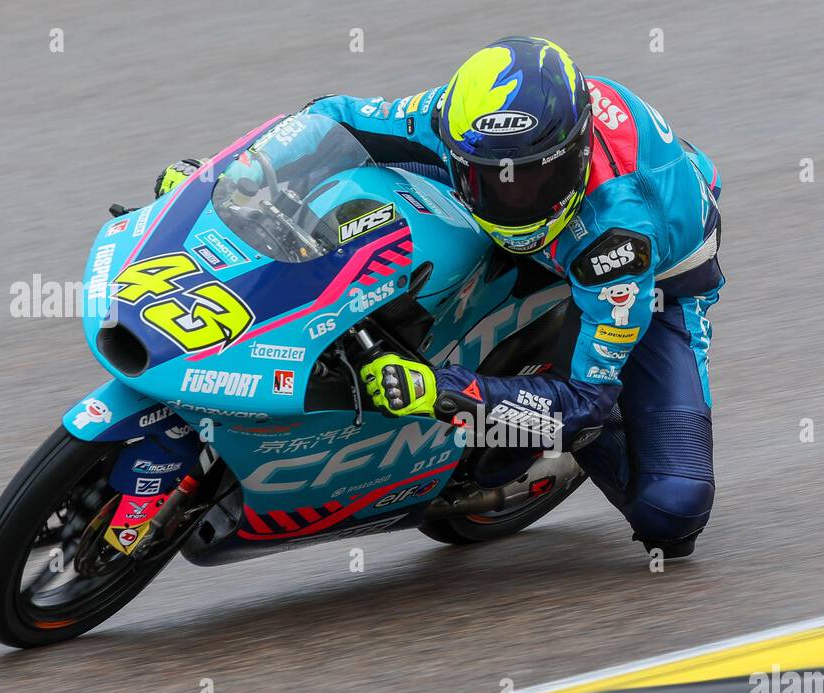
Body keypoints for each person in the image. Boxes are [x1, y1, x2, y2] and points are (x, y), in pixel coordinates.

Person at [159, 36, 724, 557]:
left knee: (670, 513)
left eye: (531, 180)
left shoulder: (618, 239)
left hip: (652, 285)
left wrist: (442, 391)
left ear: (575, 156)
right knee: (351, 179)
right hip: (547, 233)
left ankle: (588, 425)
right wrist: (222, 182)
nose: (510, 198)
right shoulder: (451, 116)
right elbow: (329, 119)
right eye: (489, 176)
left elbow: (585, 402)